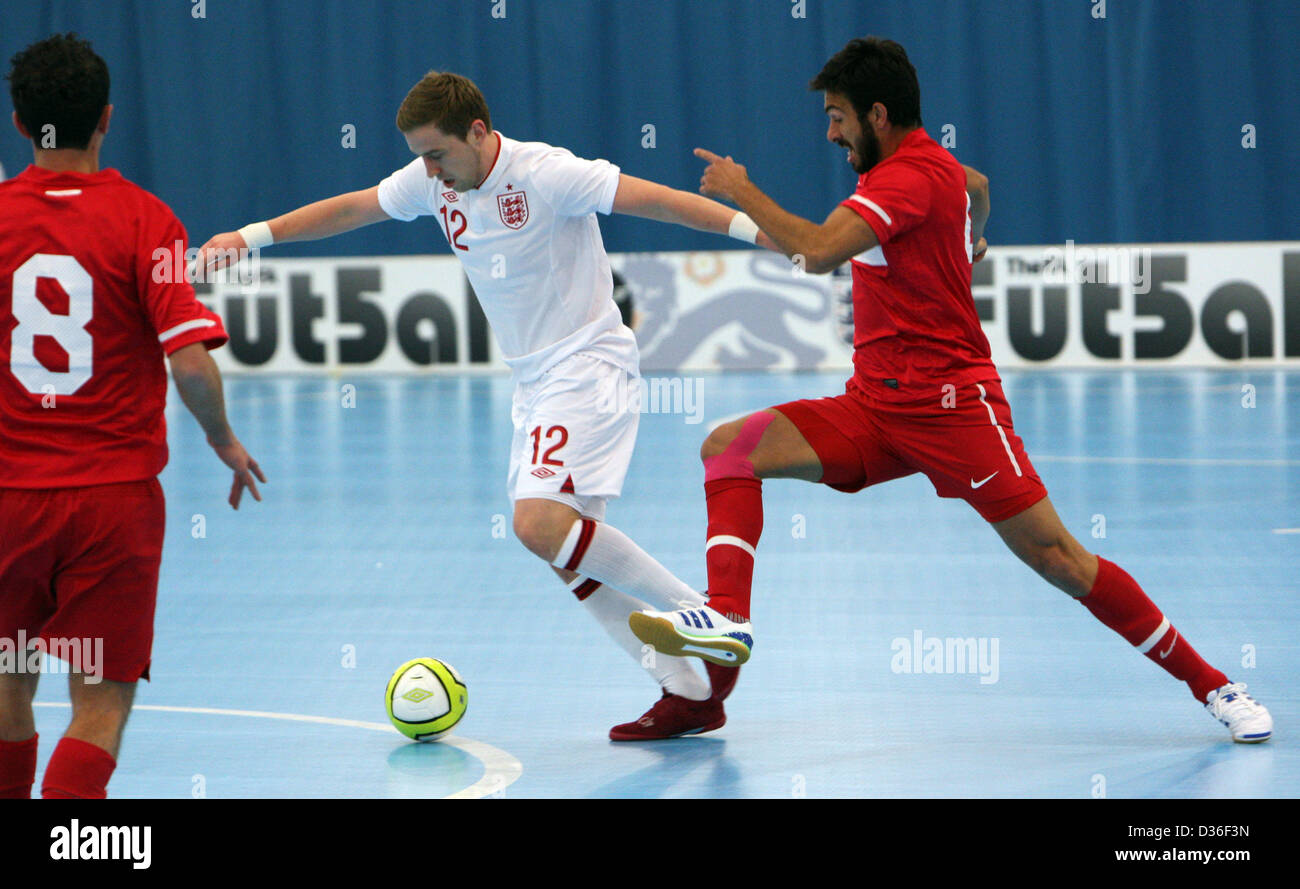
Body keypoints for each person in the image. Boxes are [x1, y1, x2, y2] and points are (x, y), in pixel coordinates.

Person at [630, 36, 1272, 744]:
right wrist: (971, 240)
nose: (831, 133)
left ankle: (1215, 684)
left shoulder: (900, 181)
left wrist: (740, 188)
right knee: (729, 448)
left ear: (878, 115)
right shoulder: (935, 168)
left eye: (839, 117)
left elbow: (814, 252)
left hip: (955, 411)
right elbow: (979, 186)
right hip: (874, 408)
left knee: (1060, 558)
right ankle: (727, 620)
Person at [197, 71, 775, 740]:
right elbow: (353, 208)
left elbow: (661, 203)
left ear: (477, 132)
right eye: (419, 156)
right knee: (562, 550)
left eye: (436, 153)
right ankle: (690, 691)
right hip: (533, 381)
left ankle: (709, 616)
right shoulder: (434, 179)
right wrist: (250, 237)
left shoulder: (547, 173)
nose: (428, 170)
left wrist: (760, 232)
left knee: (538, 523)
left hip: (588, 366)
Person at [0, 33, 265, 799]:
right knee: (99, 703)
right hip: (111, 501)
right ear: (106, 118)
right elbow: (190, 359)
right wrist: (222, 439)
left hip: (9, 499)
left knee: (7, 682)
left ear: (20, 122)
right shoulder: (147, 221)